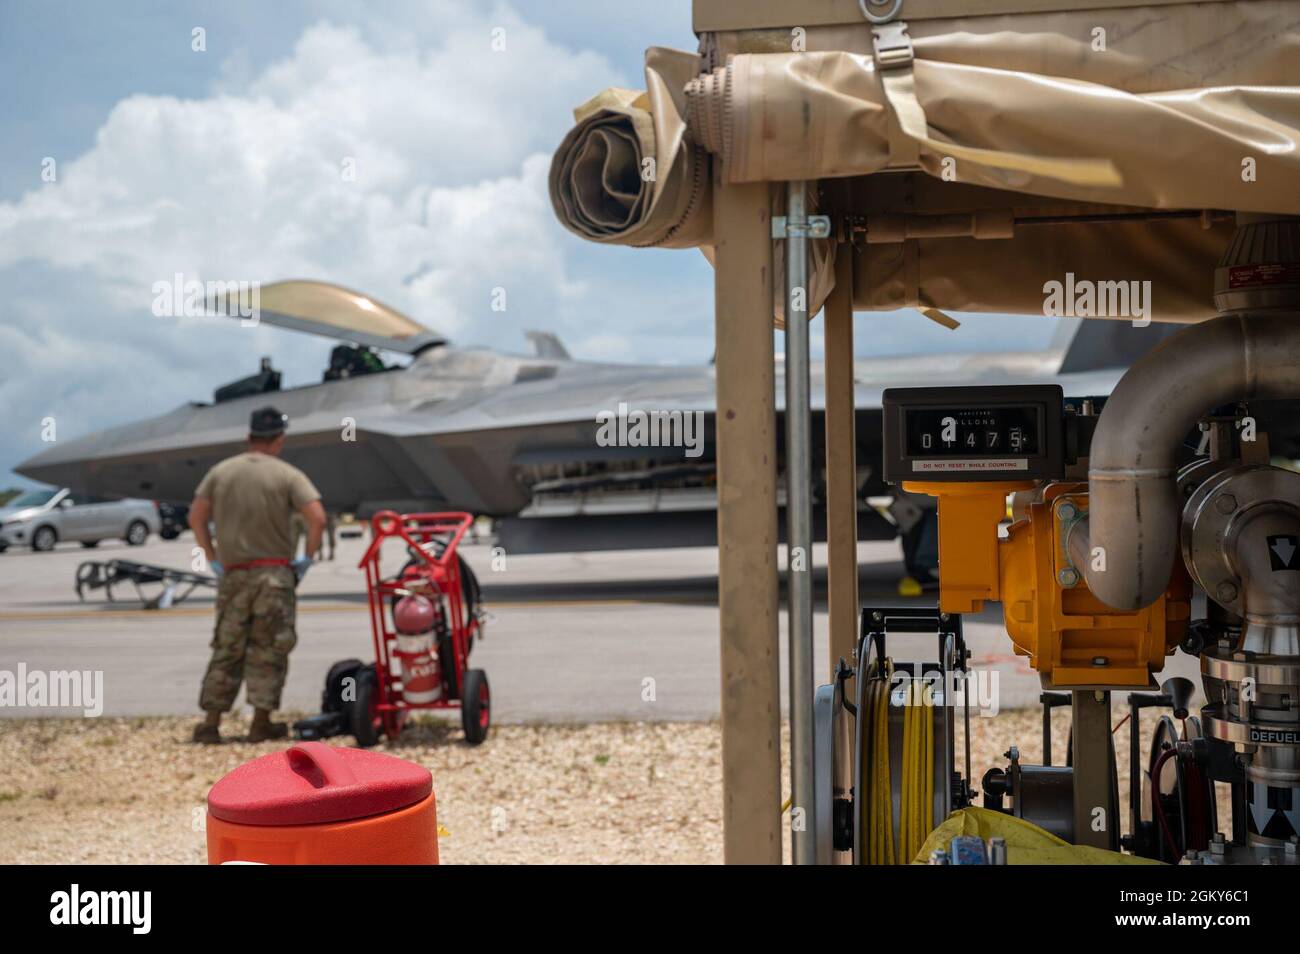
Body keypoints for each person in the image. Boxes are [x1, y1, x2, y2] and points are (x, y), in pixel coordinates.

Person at [188, 406, 326, 743]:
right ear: (279, 439)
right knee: (269, 647)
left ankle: (211, 724)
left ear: (249, 437)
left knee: (227, 645)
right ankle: (260, 723)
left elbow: (196, 517)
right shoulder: (288, 475)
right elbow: (317, 518)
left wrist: (212, 557)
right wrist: (305, 559)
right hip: (275, 577)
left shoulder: (219, 473)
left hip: (233, 575)